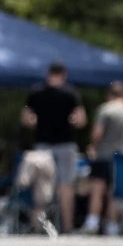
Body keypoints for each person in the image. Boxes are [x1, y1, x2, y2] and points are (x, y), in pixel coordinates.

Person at [20, 62, 86, 234]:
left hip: (43, 145)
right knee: (66, 186)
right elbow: (80, 120)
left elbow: (26, 118)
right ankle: (68, 226)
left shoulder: (36, 92)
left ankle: (38, 226)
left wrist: (37, 123)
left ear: (47, 73)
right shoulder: (71, 92)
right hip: (65, 144)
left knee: (40, 185)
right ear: (64, 74)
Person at [82, 80, 123, 235]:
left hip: (104, 155)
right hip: (122, 157)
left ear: (109, 95)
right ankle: (112, 225)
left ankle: (92, 222)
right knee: (115, 193)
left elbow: (97, 133)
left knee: (97, 189)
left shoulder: (105, 110)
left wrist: (93, 146)